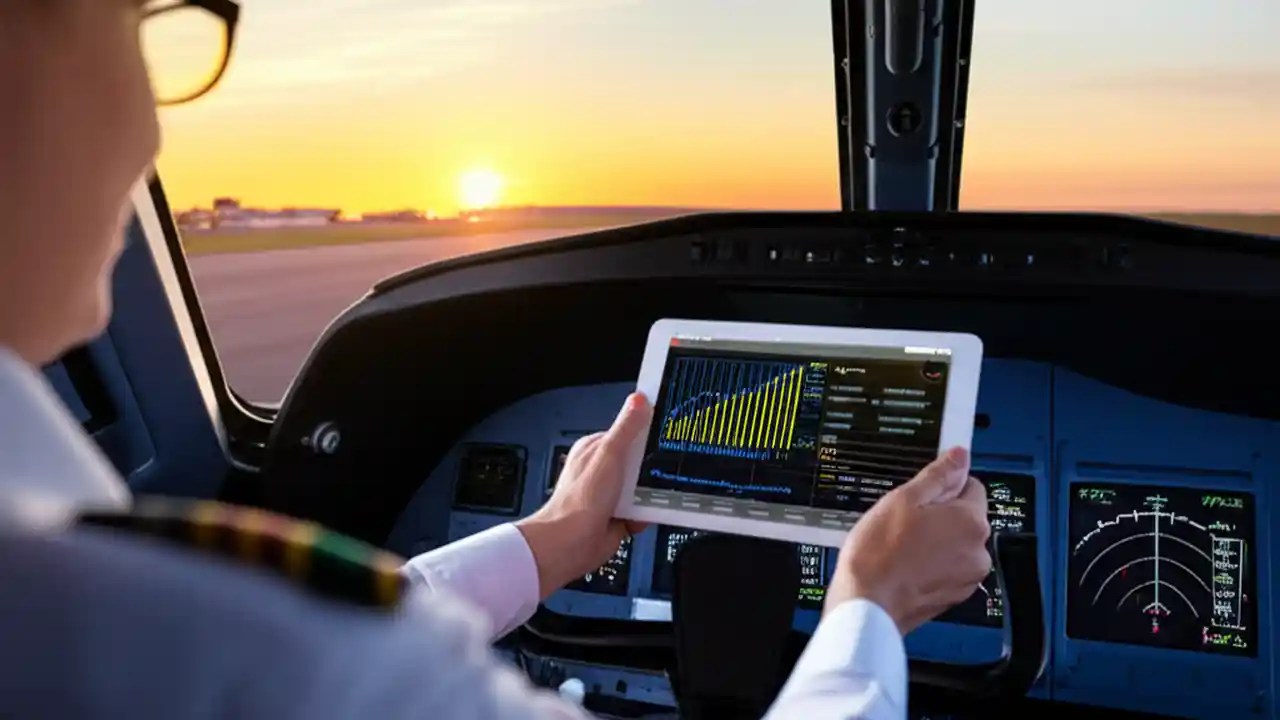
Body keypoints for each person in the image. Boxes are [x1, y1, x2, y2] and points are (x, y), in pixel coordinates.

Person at [0, 1, 993, 718]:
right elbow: (326, 657)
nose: (149, 129)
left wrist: (555, 537)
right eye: (133, 22)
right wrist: (869, 608)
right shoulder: (224, 649)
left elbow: (343, 636)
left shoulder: (120, 614)